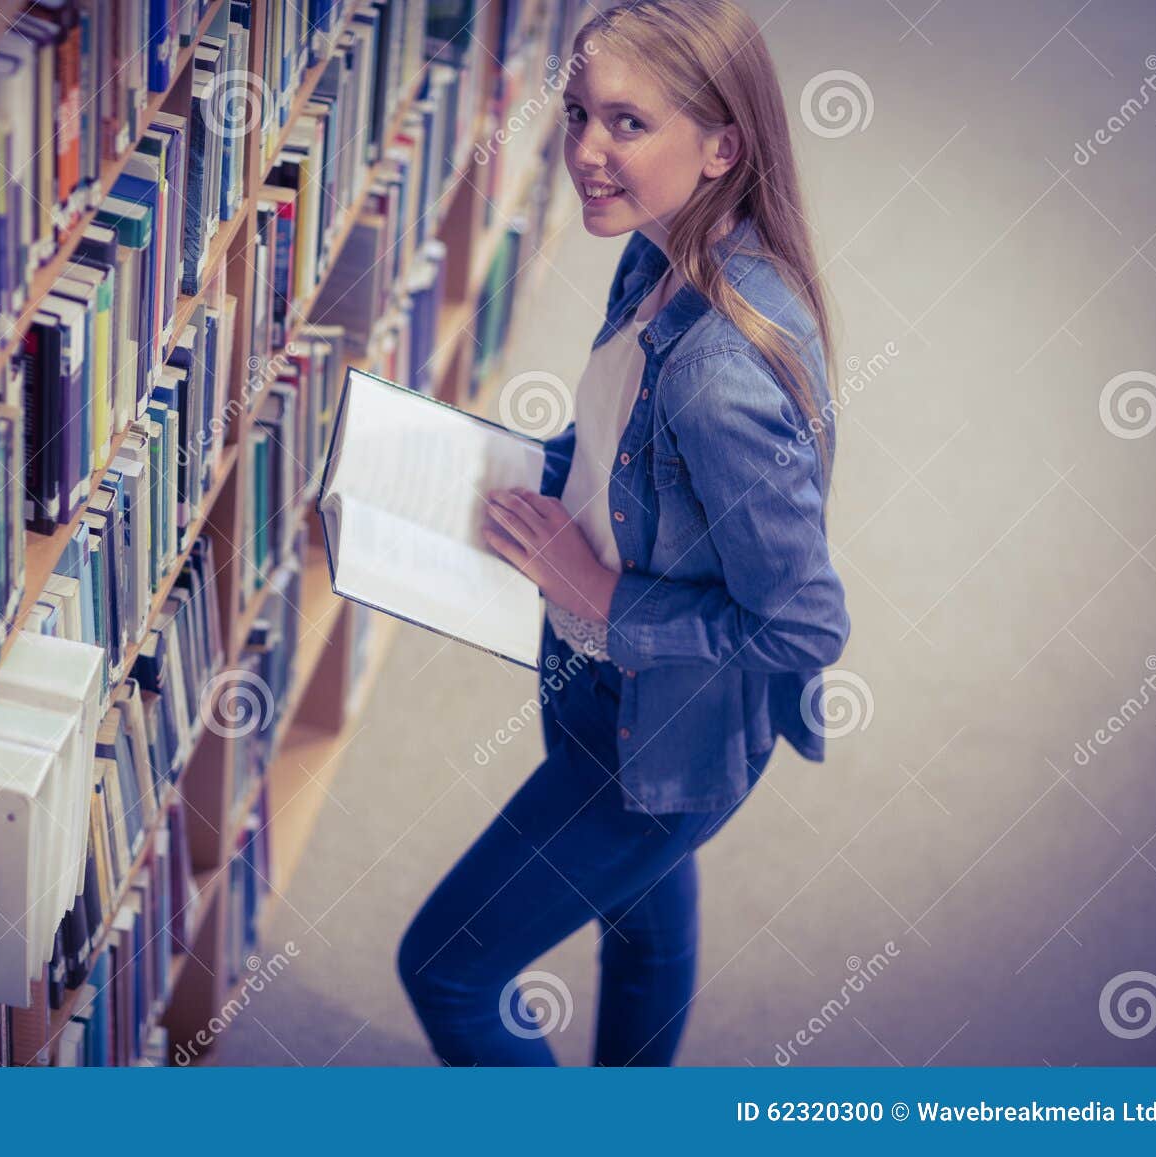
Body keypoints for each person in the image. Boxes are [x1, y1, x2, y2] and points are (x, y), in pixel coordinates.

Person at [397, 0, 852, 1066]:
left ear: (721, 147)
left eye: (628, 124)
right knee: (641, 920)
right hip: (588, 675)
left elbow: (804, 628)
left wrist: (594, 593)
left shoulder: (721, 379)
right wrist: (501, 475)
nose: (585, 153)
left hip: (659, 734)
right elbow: (620, 450)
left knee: (448, 966)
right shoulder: (655, 255)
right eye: (578, 114)